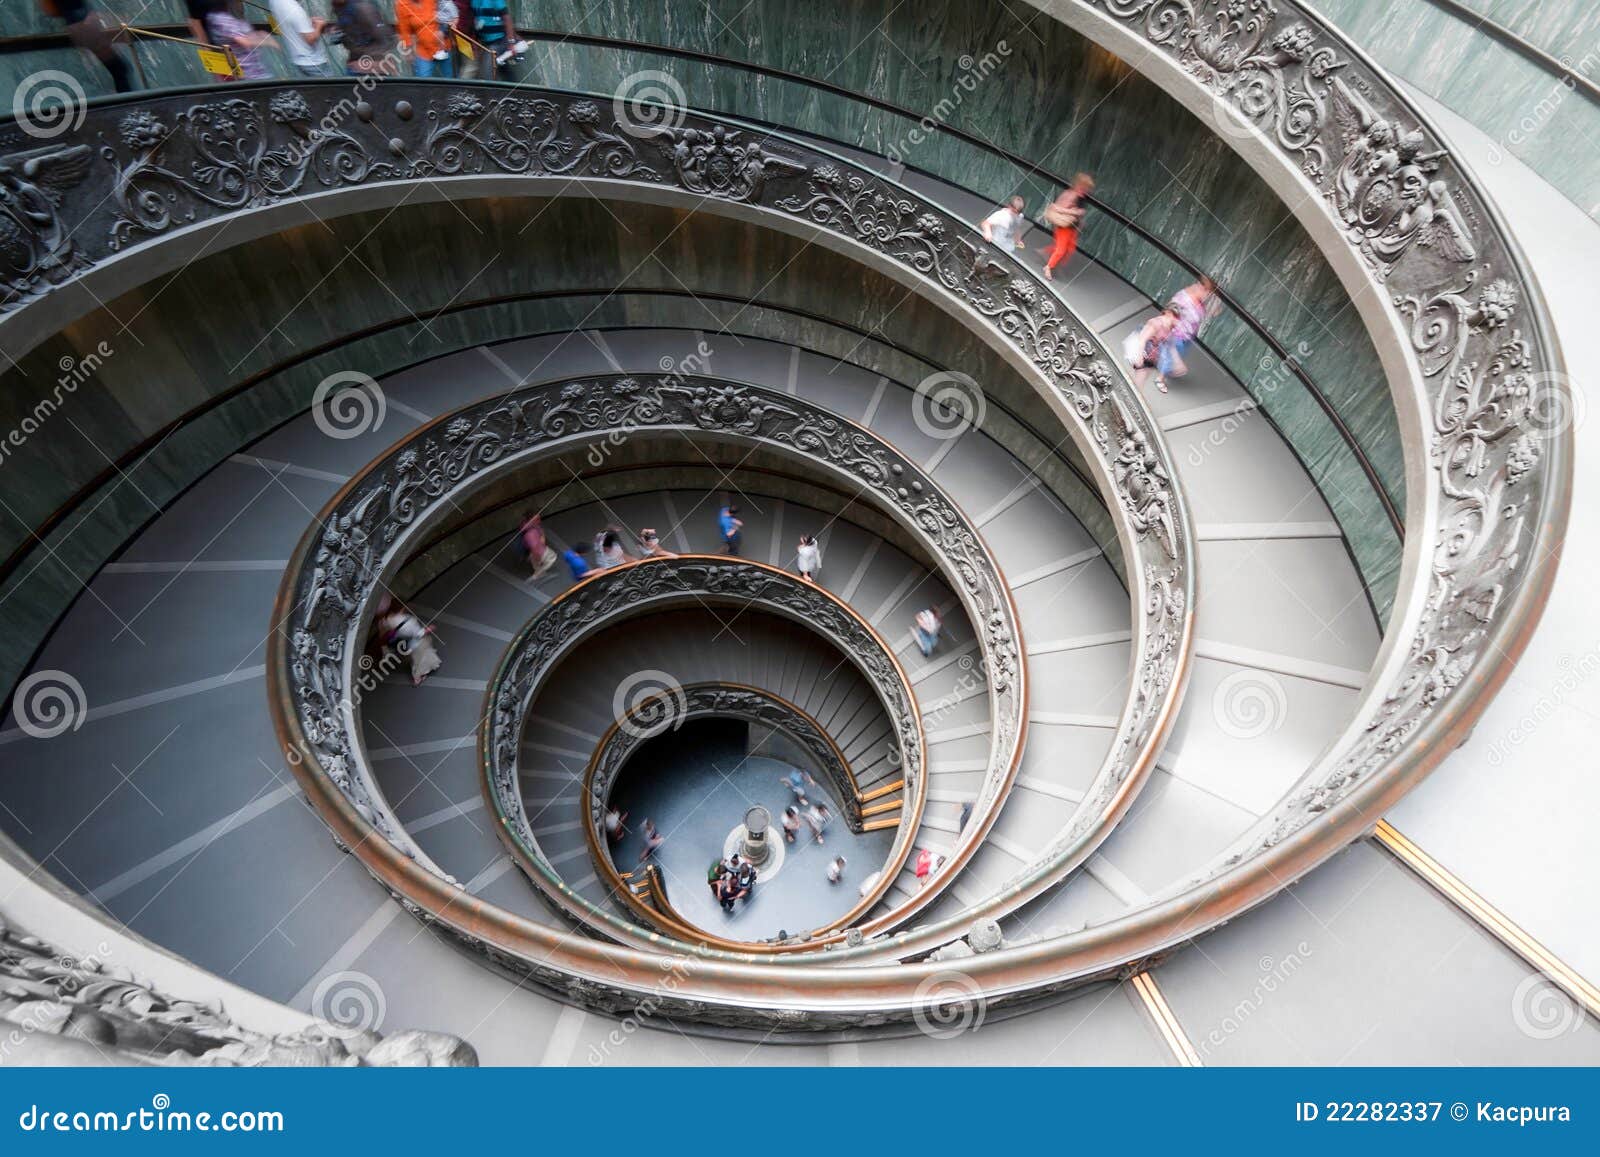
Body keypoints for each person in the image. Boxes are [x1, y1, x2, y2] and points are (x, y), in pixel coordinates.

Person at [41, 1, 135, 93]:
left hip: (82, 23)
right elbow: (51, 10)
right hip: (83, 24)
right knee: (119, 69)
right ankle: (127, 99)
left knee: (119, 68)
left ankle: (126, 98)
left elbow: (51, 11)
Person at [1159, 275, 1219, 383]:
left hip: (1187, 337)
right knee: (1170, 359)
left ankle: (1164, 366)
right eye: (1208, 293)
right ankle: (1160, 379)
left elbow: (1214, 312)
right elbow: (1171, 308)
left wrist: (1216, 301)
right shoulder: (1185, 298)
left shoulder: (1200, 301)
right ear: (1202, 288)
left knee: (1173, 358)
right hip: (1177, 335)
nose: (1208, 296)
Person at [203, 2, 275, 80]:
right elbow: (244, 41)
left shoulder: (234, 16)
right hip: (244, 75)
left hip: (256, 72)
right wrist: (266, 39)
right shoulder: (220, 18)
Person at [1041, 173, 1094, 280]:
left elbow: (1081, 212)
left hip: (1072, 228)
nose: (1085, 191)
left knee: (1069, 249)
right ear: (1078, 185)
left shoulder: (1081, 198)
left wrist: (1079, 219)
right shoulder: (1070, 195)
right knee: (1061, 250)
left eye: (1086, 189)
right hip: (1064, 227)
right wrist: (1074, 212)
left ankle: (1046, 254)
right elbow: (1059, 208)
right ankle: (1048, 267)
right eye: (1083, 188)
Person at [270, 0, 337, 77]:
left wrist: (306, 21)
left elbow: (289, 24)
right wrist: (319, 25)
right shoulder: (296, 10)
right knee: (332, 85)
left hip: (297, 61)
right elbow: (310, 39)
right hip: (314, 63)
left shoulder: (276, 2)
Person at [332, 0, 397, 76]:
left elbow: (386, 40)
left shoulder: (362, 8)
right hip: (355, 65)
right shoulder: (339, 9)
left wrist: (369, 62)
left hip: (371, 67)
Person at [380, 606, 442, 685]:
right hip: (417, 644)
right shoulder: (406, 624)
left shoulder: (389, 620)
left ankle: (419, 674)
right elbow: (418, 634)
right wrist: (429, 629)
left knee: (417, 659)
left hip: (410, 644)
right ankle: (417, 678)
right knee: (420, 660)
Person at [1123, 311, 1179, 393]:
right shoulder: (1156, 323)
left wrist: (1178, 363)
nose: (1178, 322)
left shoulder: (1171, 328)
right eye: (1177, 318)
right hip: (1140, 349)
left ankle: (1131, 390)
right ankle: (1131, 392)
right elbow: (1142, 339)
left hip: (1151, 355)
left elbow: (1170, 346)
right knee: (1140, 377)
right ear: (1169, 314)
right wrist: (1139, 356)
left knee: (1141, 378)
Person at [395, 0, 447, 77]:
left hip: (443, 47)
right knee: (423, 79)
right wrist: (407, 49)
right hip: (423, 51)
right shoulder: (402, 4)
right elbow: (404, 30)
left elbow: (448, 12)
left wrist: (442, 30)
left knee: (449, 79)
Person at [518, 512, 557, 577]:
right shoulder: (530, 533)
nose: (539, 520)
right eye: (537, 519)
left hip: (533, 549)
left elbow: (540, 535)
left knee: (536, 562)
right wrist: (537, 556)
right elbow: (535, 547)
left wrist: (541, 536)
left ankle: (539, 572)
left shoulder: (531, 527)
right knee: (552, 557)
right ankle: (538, 574)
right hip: (536, 550)